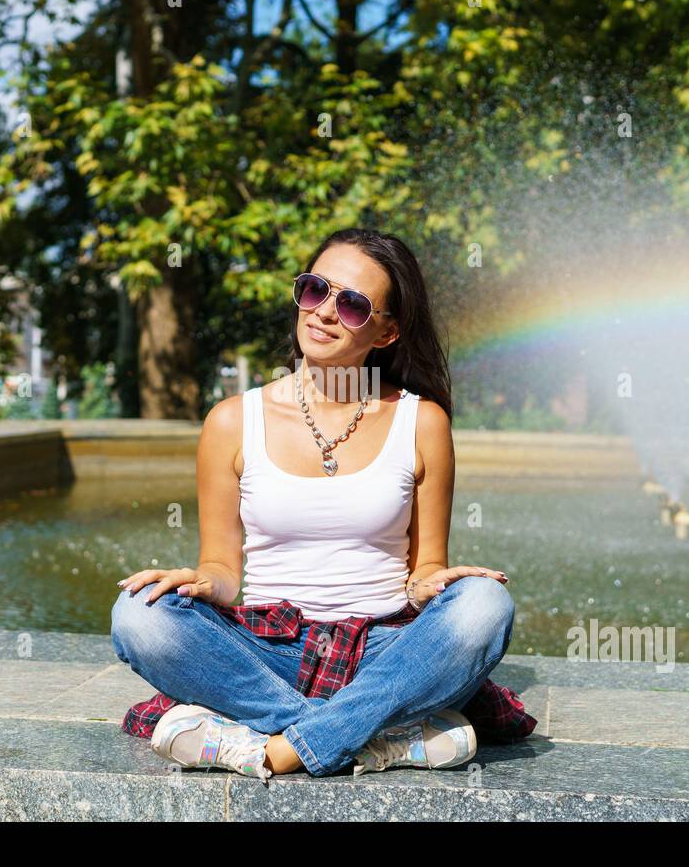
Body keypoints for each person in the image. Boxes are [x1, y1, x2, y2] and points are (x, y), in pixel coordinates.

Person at [112, 227, 518, 781]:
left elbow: (424, 568)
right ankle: (373, 737)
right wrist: (204, 583)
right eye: (314, 290)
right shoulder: (232, 421)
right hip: (265, 651)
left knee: (484, 605)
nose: (325, 312)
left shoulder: (421, 422)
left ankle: (274, 746)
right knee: (139, 614)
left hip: (383, 653)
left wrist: (433, 585)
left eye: (351, 304)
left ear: (386, 332)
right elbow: (223, 569)